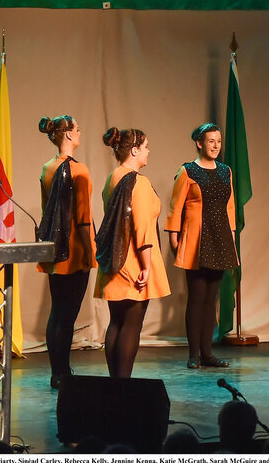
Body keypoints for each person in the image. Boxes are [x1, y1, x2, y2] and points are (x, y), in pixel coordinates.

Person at [95, 127, 169, 378]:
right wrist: (147, 265)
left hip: (113, 257)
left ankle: (115, 382)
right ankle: (123, 385)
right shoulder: (139, 182)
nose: (149, 151)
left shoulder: (113, 176)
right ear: (135, 149)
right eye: (146, 146)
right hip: (134, 259)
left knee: (116, 321)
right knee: (132, 324)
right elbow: (142, 227)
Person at [166, 123, 239, 369]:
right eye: (211, 141)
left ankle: (208, 353)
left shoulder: (225, 171)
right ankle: (194, 354)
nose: (216, 145)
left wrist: (231, 238)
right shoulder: (187, 171)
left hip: (220, 238)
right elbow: (176, 207)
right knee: (197, 298)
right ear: (200, 143)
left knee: (212, 299)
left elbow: (230, 207)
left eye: (219, 141)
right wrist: (174, 238)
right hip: (196, 239)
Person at [35, 115, 97, 389]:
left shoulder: (47, 167)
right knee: (68, 313)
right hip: (73, 248)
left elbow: (46, 209)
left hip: (52, 246)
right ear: (69, 135)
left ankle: (57, 371)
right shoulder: (80, 170)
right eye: (77, 128)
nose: (80, 132)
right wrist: (89, 251)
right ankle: (63, 373)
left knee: (57, 310)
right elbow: (83, 218)